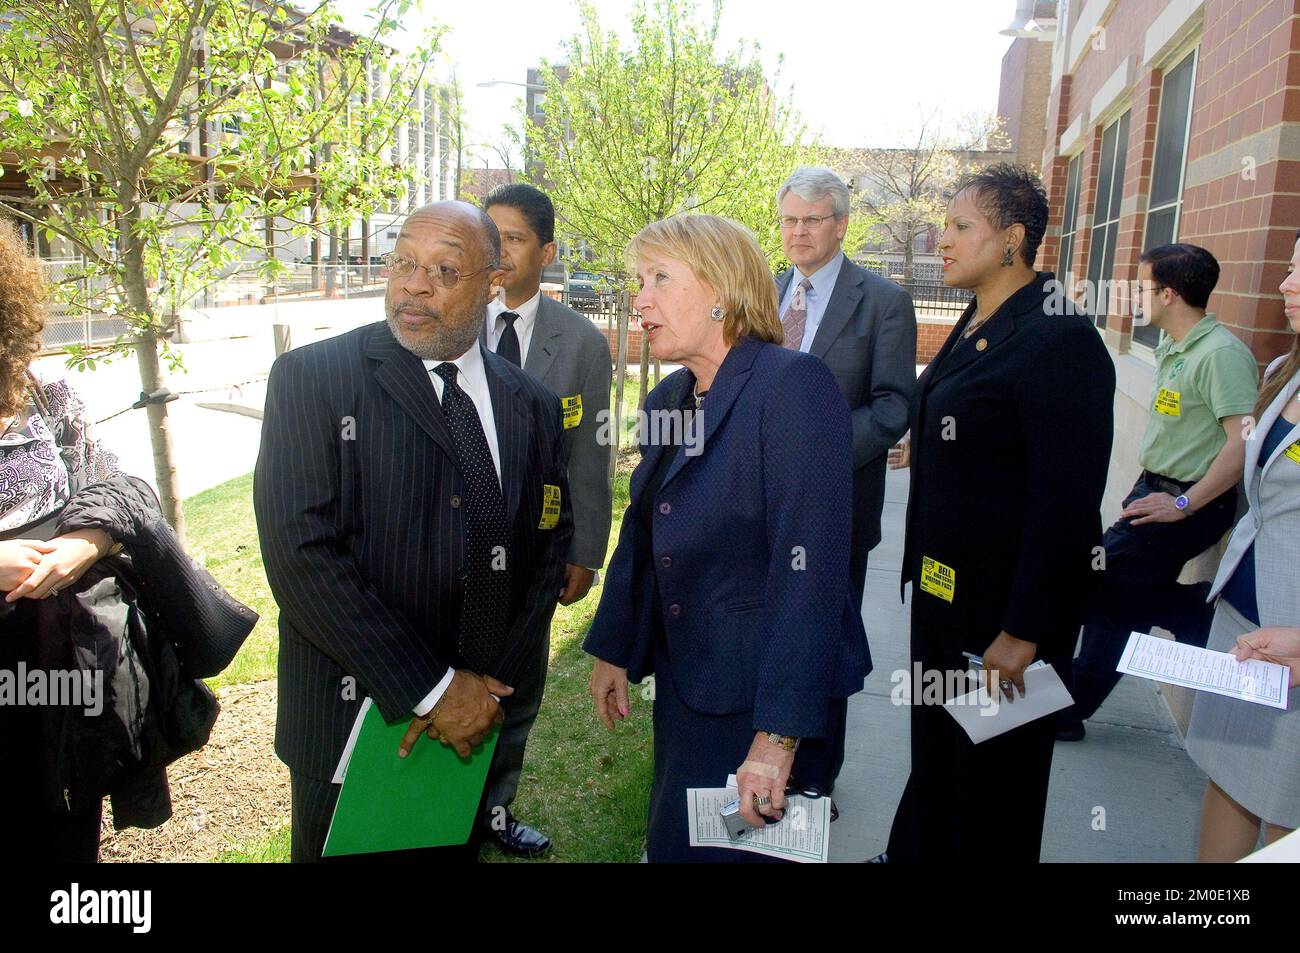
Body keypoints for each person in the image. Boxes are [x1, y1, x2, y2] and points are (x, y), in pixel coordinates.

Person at [254, 201, 573, 863]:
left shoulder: (534, 407)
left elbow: (544, 549)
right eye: (402, 261)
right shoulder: (313, 381)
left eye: (444, 269)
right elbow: (302, 558)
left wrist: (486, 694)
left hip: (471, 736)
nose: (413, 284)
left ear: (494, 280)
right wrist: (431, 689)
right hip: (350, 735)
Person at [584, 214, 869, 863]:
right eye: (639, 279)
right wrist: (614, 647)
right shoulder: (669, 399)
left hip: (762, 701)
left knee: (739, 856)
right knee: (677, 845)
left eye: (659, 277)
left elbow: (812, 571)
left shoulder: (792, 387)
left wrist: (778, 738)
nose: (640, 298)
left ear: (721, 289)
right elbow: (643, 530)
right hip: (692, 691)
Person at [881, 164, 1115, 863]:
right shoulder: (982, 313)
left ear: (1012, 238)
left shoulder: (1060, 340)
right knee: (941, 756)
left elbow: (1064, 504)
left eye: (960, 227)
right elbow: (986, 422)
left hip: (1003, 619)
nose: (942, 241)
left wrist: (1024, 631)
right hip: (946, 598)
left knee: (995, 784)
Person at [0, 223, 218, 861]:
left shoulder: (46, 398)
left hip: (59, 680)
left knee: (63, 837)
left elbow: (124, 489)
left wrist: (85, 544)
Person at [1057, 244, 1259, 740]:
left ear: (1169, 294)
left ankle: (1191, 614)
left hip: (1189, 503)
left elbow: (1242, 443)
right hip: (1153, 493)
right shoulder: (1174, 344)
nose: (1131, 297)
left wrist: (1184, 504)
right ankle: (1187, 612)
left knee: (1100, 585)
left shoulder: (1221, 356)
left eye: (1142, 287)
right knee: (1118, 598)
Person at [478, 183, 613, 856]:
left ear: (548, 251)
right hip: (448, 549)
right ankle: (436, 814)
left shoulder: (582, 344)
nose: (497, 249)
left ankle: (496, 811)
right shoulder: (452, 318)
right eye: (488, 232)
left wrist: (585, 548)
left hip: (532, 556)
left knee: (515, 689)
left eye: (514, 237)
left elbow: (590, 454)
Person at [773, 166, 917, 789]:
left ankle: (814, 780)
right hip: (759, 504)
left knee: (823, 645)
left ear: (840, 225)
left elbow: (892, 407)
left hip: (836, 507)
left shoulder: (883, 302)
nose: (797, 233)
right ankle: (763, 760)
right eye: (788, 221)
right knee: (765, 635)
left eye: (810, 221)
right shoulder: (765, 289)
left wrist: (815, 452)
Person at [1185, 228, 1300, 862]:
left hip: (1294, 643)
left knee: (1287, 809)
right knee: (1228, 777)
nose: (1286, 282)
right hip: (1244, 622)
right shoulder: (1286, 369)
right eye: (1289, 267)